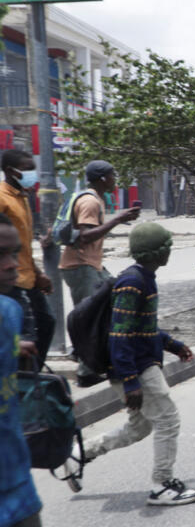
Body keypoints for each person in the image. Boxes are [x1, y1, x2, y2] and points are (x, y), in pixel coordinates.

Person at [68, 222, 195, 505]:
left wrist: (173, 345)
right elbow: (120, 334)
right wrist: (130, 380)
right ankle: (162, 485)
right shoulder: (133, 283)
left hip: (139, 363)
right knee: (167, 419)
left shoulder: (143, 278)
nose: (170, 251)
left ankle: (80, 453)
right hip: (136, 368)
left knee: (139, 428)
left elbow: (144, 328)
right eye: (167, 247)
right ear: (156, 253)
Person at [58, 160, 140, 386]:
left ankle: (85, 356)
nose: (115, 180)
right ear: (103, 178)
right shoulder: (90, 202)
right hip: (80, 266)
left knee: (109, 302)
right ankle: (86, 372)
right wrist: (118, 220)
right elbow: (85, 235)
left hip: (91, 265)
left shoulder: (94, 199)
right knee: (89, 317)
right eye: (113, 175)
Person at [0, 214, 44, 527]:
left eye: (13, 253)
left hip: (19, 488)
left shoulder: (9, 312)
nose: (11, 264)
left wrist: (14, 349)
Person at [0, 150, 55, 364]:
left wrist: (38, 273)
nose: (32, 173)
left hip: (27, 276)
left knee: (45, 323)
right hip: (11, 280)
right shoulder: (3, 198)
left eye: (33, 168)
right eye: (27, 169)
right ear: (9, 171)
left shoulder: (22, 197)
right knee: (26, 332)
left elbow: (22, 246)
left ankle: (30, 376)